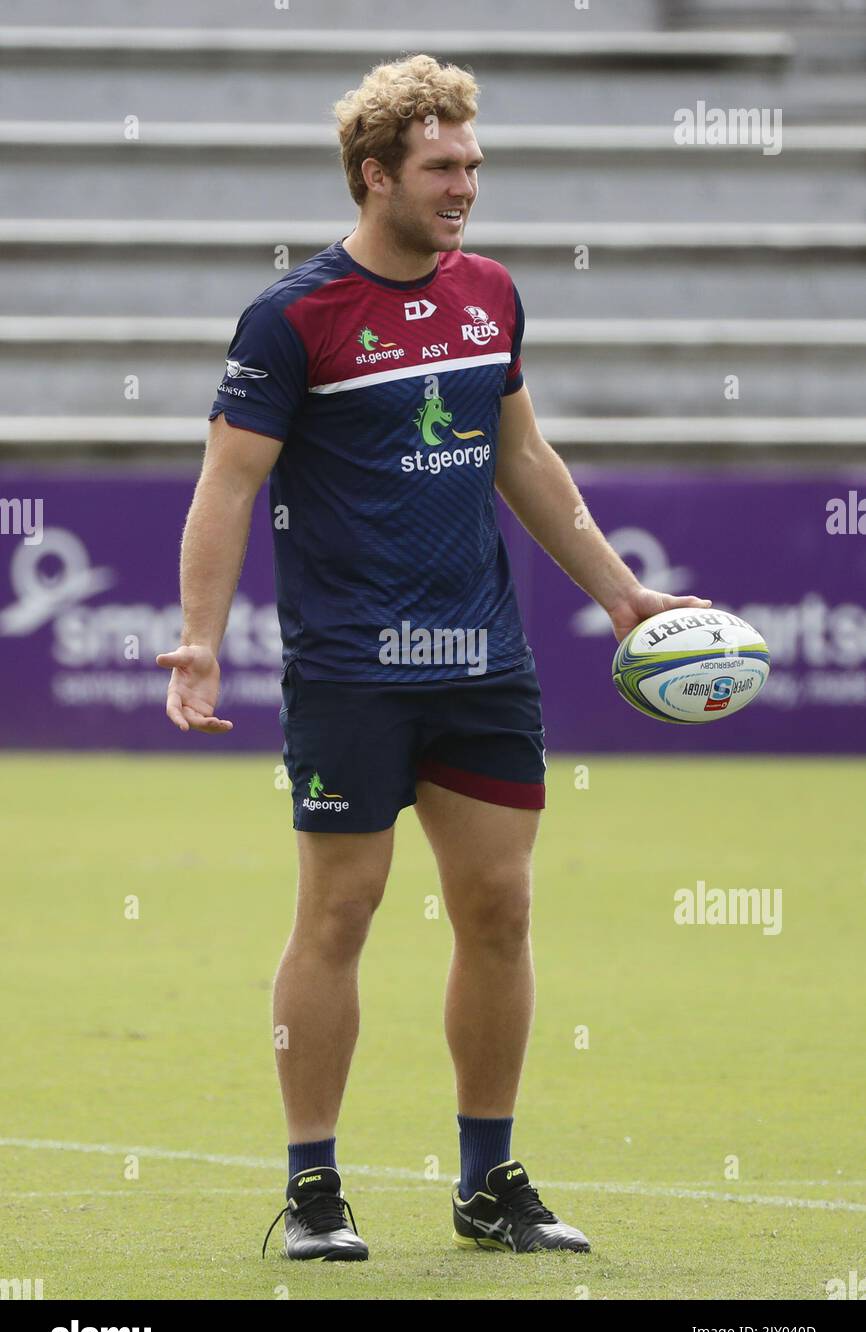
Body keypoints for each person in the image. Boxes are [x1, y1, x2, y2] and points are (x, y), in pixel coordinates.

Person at [158, 52, 710, 1261]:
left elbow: (522, 457)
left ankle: (486, 1183)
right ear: (374, 175)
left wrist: (618, 594)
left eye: (472, 162)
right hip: (352, 668)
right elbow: (226, 484)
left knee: (500, 910)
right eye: (440, 165)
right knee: (340, 913)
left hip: (483, 662)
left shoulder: (491, 294)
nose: (464, 184)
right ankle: (312, 1189)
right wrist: (198, 643)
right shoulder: (291, 318)